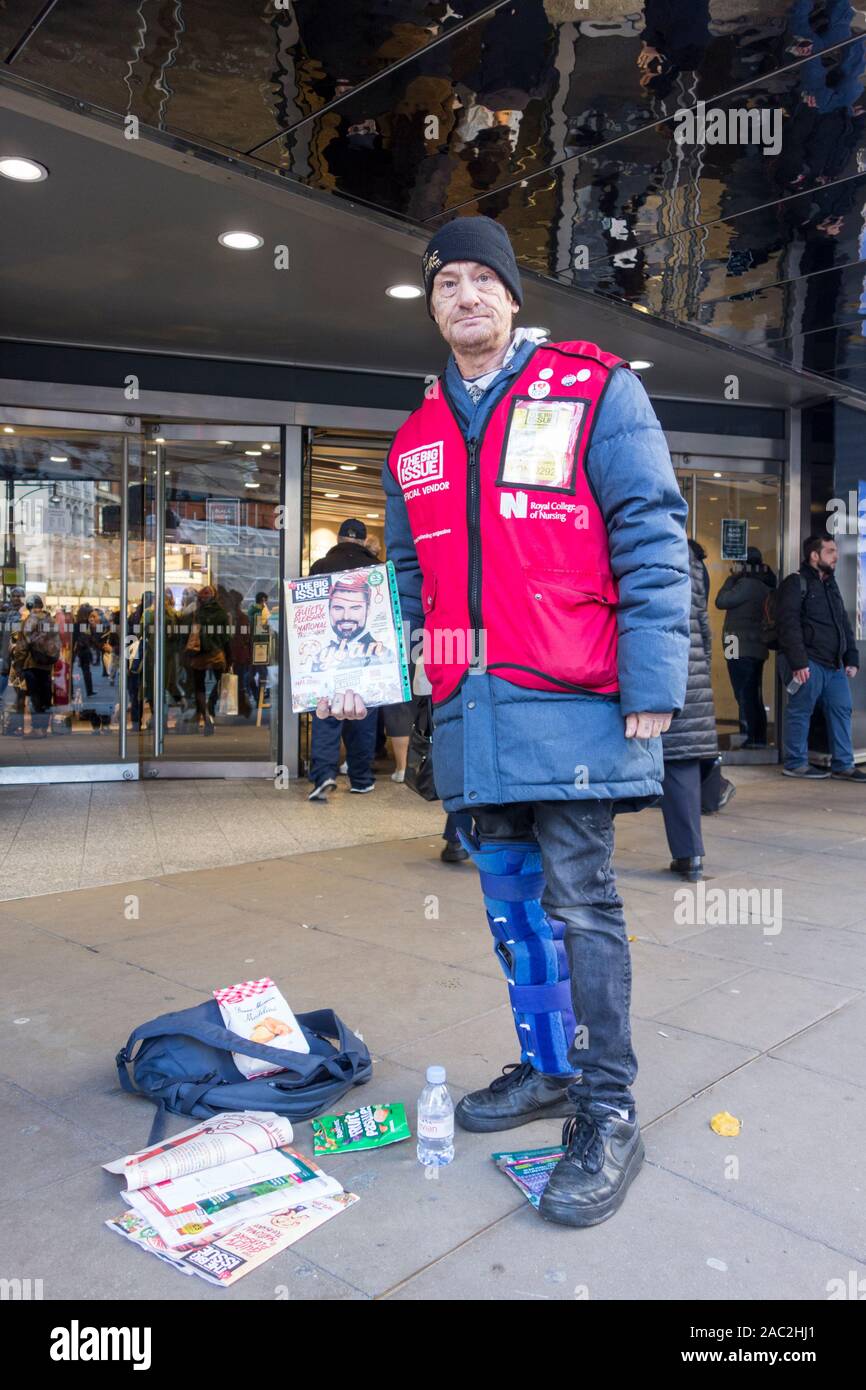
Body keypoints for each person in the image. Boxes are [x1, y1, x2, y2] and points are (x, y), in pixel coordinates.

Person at [319, 215, 691, 1227]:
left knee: (579, 903)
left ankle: (607, 1104)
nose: (467, 297)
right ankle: (547, 1065)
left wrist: (653, 677)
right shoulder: (416, 437)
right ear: (431, 305)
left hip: (572, 699)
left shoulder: (593, 388)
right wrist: (370, 675)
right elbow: (403, 581)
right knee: (510, 909)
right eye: (447, 284)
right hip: (472, 711)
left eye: (485, 279)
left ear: (513, 297)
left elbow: (650, 529)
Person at [659, 540, 726, 882]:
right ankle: (690, 856)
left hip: (638, 661)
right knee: (680, 763)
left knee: (604, 765)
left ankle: (590, 859)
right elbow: (702, 622)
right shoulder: (691, 557)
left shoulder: (626, 540)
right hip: (687, 668)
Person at [777, 532, 865, 780]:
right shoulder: (795, 583)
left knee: (842, 710)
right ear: (814, 555)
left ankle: (843, 765)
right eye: (830, 551)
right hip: (809, 662)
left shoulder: (830, 584)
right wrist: (798, 662)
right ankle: (795, 763)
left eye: (835, 551)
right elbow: (788, 624)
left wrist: (852, 657)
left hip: (834, 665)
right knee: (800, 710)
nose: (836, 556)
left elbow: (843, 623)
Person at [307, 521, 382, 799]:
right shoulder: (378, 568)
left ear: (339, 538)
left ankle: (324, 774)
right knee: (363, 714)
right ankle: (361, 778)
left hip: (327, 653)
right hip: (367, 653)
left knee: (326, 713)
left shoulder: (320, 566)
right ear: (363, 541)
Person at [715, 545, 775, 747]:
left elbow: (721, 601)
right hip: (756, 647)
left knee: (743, 692)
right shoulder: (766, 586)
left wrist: (731, 579)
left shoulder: (745, 585)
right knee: (752, 692)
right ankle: (758, 737)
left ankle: (749, 736)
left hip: (737, 644)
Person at [182, 585, 232, 735]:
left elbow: (185, 632)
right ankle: (211, 704)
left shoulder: (195, 612)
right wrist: (230, 657)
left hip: (198, 653)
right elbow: (226, 637)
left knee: (199, 686)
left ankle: (205, 714)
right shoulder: (222, 613)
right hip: (216, 653)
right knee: (222, 682)